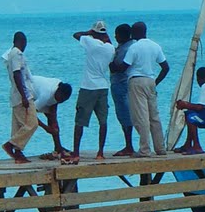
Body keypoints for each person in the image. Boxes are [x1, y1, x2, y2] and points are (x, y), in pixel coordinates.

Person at [116, 21, 169, 156]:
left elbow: (124, 67)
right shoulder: (155, 46)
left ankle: (144, 149)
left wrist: (112, 64)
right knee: (154, 116)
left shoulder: (134, 48)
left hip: (136, 81)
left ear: (134, 33)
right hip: (150, 80)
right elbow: (165, 68)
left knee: (141, 117)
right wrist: (156, 82)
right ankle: (160, 147)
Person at [70, 21, 114, 160]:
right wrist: (106, 38)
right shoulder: (110, 48)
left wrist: (89, 32)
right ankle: (100, 152)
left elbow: (75, 35)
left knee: (80, 121)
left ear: (94, 32)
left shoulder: (90, 42)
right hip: (103, 86)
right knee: (103, 121)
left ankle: (76, 153)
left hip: (88, 87)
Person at [1, 32, 36, 162]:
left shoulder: (11, 54)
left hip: (16, 96)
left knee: (18, 127)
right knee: (32, 124)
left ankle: (18, 154)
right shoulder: (17, 54)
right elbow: (17, 75)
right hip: (22, 95)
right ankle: (10, 145)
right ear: (22, 42)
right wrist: (24, 96)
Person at [27, 74, 76, 161]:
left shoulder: (58, 85)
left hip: (41, 92)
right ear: (58, 92)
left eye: (63, 101)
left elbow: (53, 110)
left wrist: (53, 125)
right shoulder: (45, 95)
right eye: (60, 99)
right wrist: (46, 128)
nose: (60, 101)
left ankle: (58, 147)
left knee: (54, 122)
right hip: (28, 92)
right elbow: (31, 114)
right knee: (30, 121)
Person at [107, 23, 136, 156]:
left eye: (117, 34)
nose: (115, 37)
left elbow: (117, 67)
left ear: (123, 35)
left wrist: (110, 63)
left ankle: (129, 146)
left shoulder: (125, 49)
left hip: (121, 84)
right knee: (127, 114)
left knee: (124, 115)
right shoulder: (129, 46)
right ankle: (129, 145)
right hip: (126, 84)